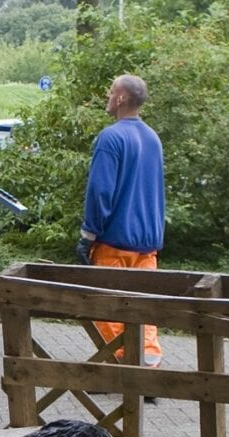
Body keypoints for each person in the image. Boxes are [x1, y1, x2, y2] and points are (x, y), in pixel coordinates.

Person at [77, 74, 164, 369]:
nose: (107, 96)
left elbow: (101, 190)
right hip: (147, 244)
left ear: (122, 98)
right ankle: (149, 363)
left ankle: (129, 370)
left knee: (109, 308)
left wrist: (88, 234)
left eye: (111, 91)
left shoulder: (111, 138)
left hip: (115, 242)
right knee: (143, 308)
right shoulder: (152, 138)